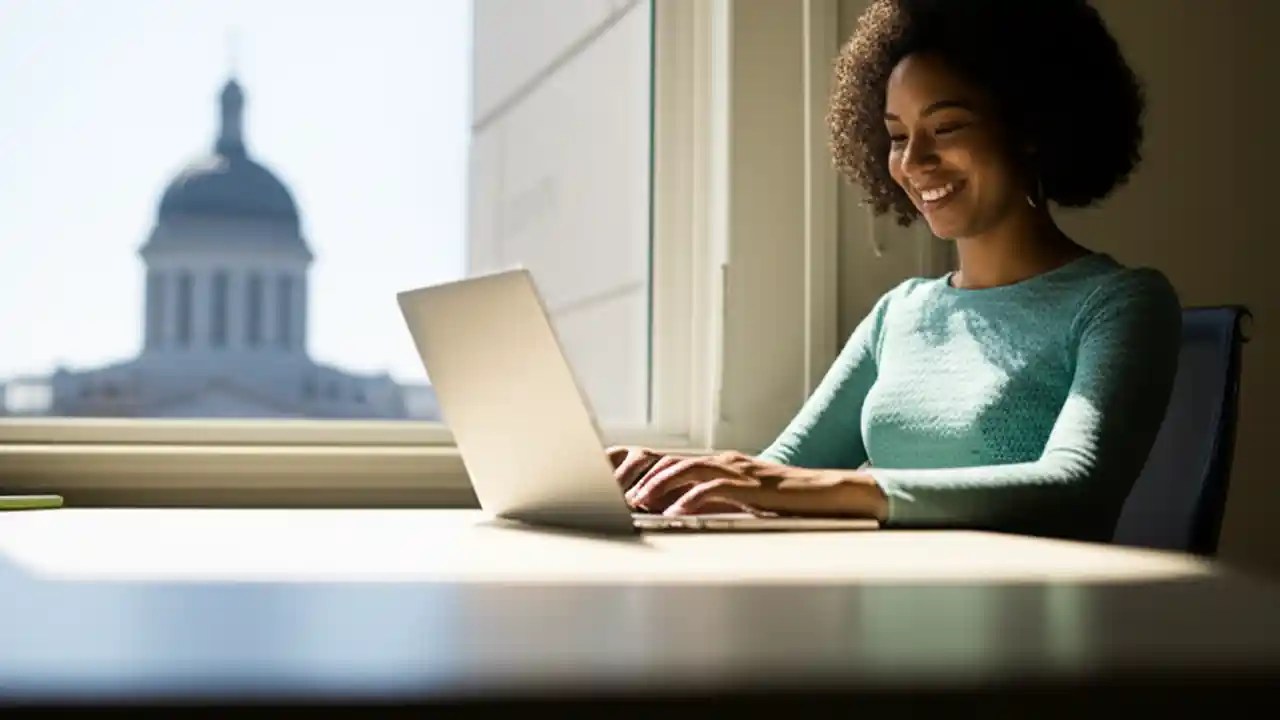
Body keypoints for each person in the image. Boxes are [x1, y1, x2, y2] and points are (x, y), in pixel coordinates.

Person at [608, 0, 1183, 542]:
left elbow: (1074, 488)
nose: (913, 162)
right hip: (889, 609)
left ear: (1031, 126)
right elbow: (777, 475)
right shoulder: (900, 314)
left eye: (947, 127)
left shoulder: (1121, 302)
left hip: (1028, 628)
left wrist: (831, 489)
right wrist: (658, 473)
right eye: (898, 137)